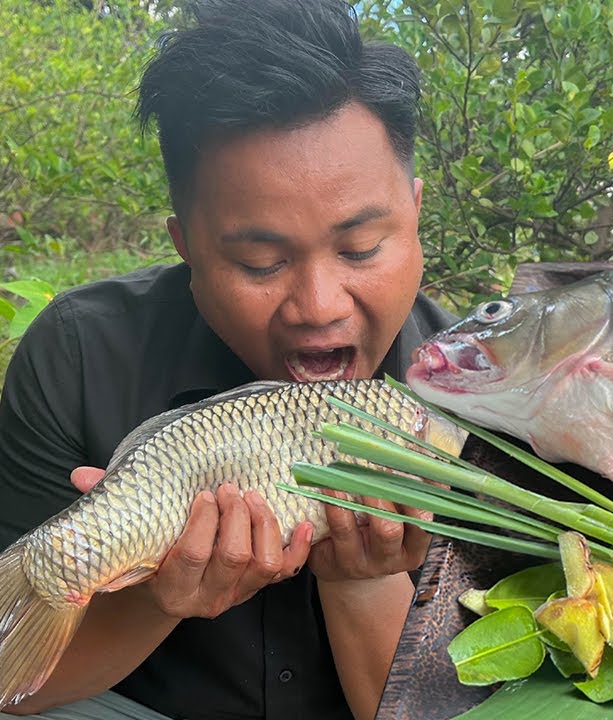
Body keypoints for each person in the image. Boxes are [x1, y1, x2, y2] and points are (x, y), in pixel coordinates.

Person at [0, 1, 457, 718]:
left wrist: (360, 577)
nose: (319, 305)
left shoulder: (467, 397)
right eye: (260, 262)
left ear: (415, 215)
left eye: (361, 249)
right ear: (187, 247)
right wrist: (155, 595)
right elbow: (14, 684)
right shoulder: (81, 353)